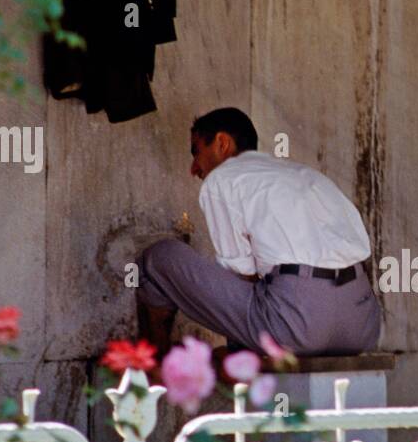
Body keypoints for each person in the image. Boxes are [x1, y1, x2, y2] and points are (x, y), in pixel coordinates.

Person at [136, 107, 381, 357]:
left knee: (159, 258)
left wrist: (239, 348)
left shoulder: (223, 179)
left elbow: (241, 276)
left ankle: (153, 361)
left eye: (196, 152)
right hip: (362, 326)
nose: (193, 168)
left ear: (222, 143)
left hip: (296, 326)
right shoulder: (306, 175)